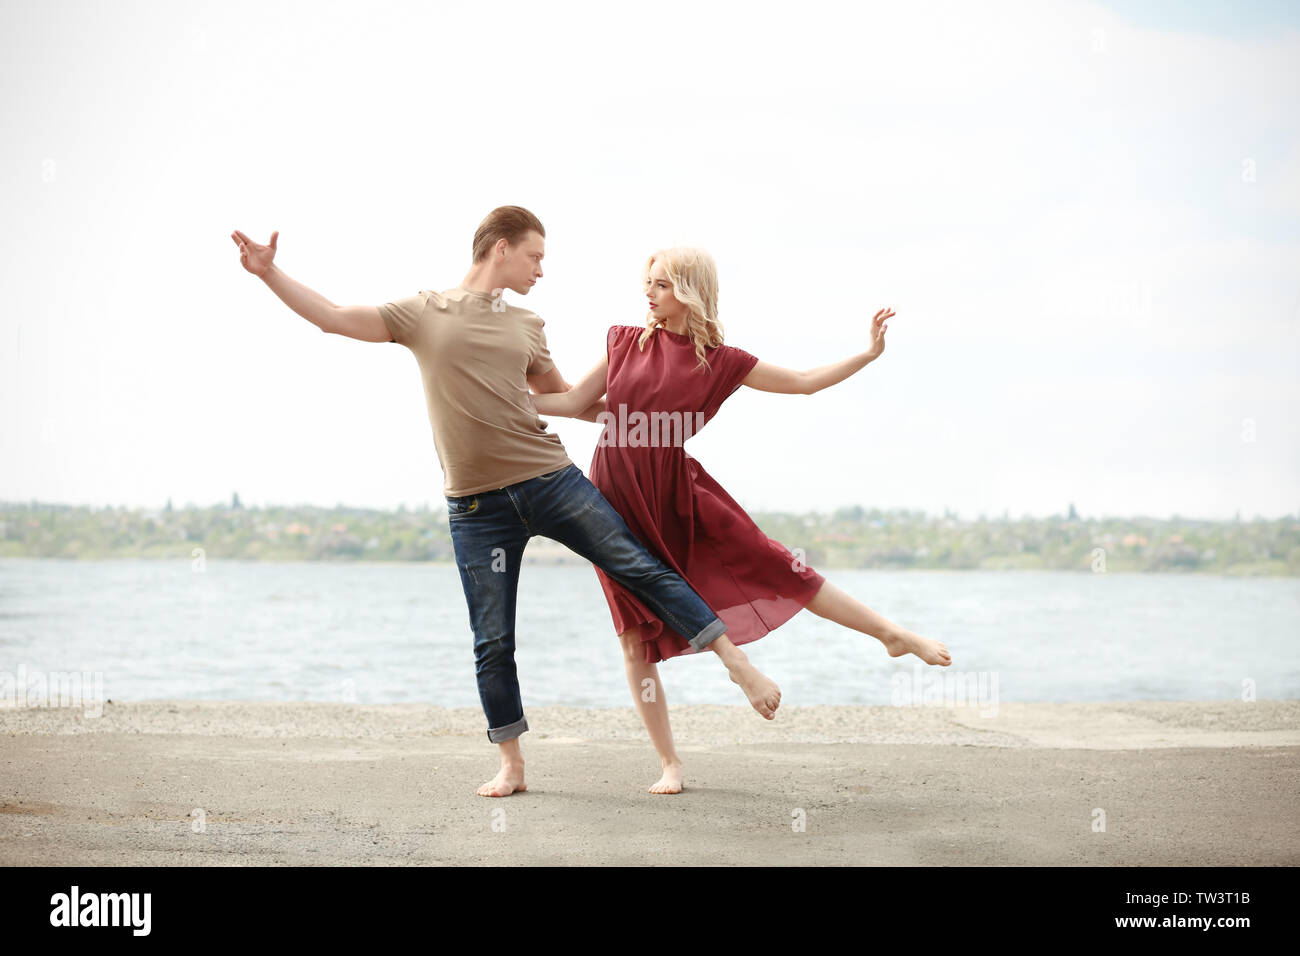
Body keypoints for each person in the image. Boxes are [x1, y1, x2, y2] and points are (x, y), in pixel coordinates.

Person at [229, 208, 784, 797]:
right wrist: (270, 274)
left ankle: (737, 663)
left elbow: (567, 401)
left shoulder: (528, 325)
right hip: (475, 506)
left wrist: (655, 418)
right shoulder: (423, 313)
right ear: (500, 248)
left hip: (550, 480)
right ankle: (512, 766)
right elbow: (335, 318)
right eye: (535, 256)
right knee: (492, 638)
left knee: (639, 567)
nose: (542, 269)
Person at [531, 246, 952, 794]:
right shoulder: (625, 341)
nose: (649, 293)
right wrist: (502, 398)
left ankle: (891, 634)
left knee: (776, 565)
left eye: (660, 284)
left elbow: (803, 381)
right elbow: (569, 403)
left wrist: (867, 354)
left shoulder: (721, 361)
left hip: (678, 492)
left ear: (688, 291)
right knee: (635, 636)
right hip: (615, 501)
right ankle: (670, 764)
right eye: (648, 282)